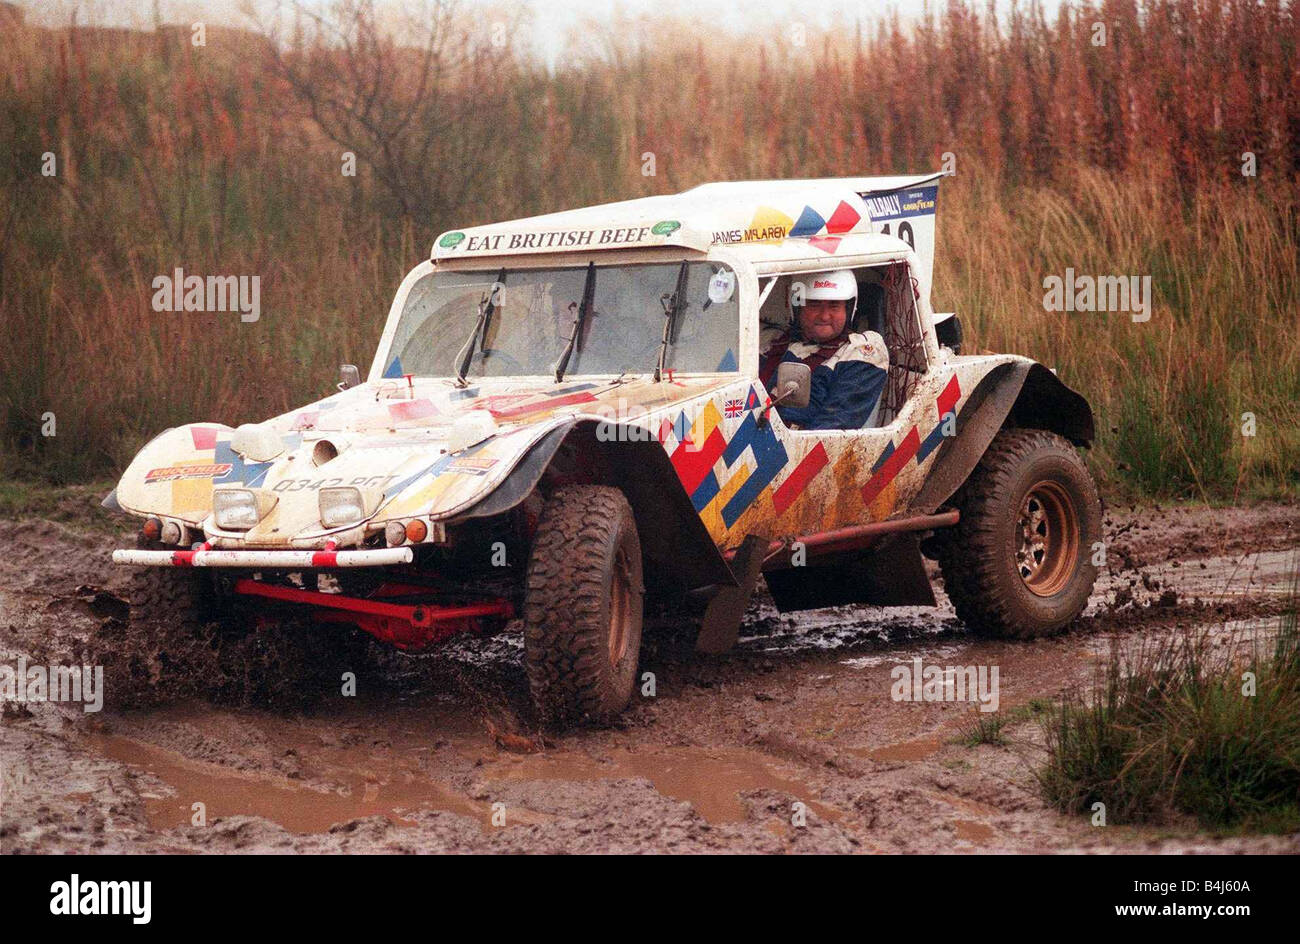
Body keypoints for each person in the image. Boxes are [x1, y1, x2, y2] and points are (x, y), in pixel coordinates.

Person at [759, 269, 888, 430]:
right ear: (798, 307)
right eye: (814, 304)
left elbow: (833, 425)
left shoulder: (860, 351)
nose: (824, 316)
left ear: (848, 310)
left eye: (834, 306)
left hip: (797, 446)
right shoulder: (776, 341)